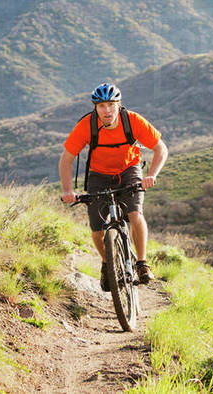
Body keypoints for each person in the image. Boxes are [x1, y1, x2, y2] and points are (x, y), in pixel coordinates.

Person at [59, 82, 168, 287]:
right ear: (95, 107)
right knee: (97, 226)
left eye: (111, 104)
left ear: (119, 104)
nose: (107, 110)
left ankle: (142, 263)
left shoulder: (133, 121)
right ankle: (106, 263)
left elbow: (161, 149)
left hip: (129, 170)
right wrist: (67, 190)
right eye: (101, 106)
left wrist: (151, 175)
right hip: (99, 174)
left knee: (135, 213)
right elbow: (66, 159)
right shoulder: (86, 125)